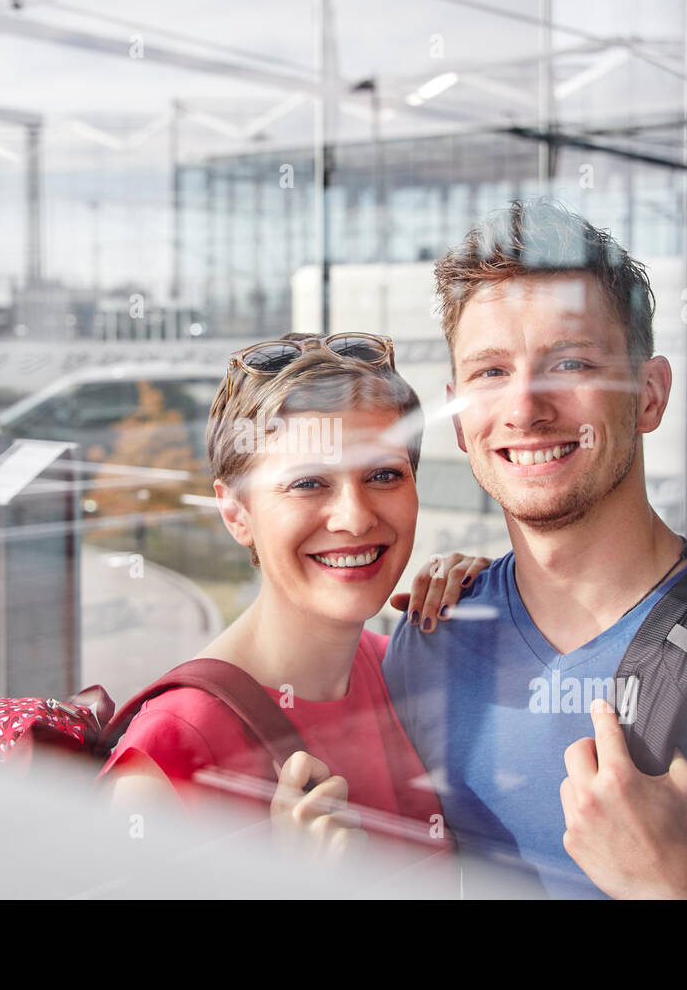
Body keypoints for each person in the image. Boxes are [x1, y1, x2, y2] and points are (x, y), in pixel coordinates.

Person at [384, 199, 687, 898]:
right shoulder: (430, 640)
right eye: (490, 372)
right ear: (458, 415)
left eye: (569, 362)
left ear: (651, 394)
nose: (525, 408)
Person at [99, 332, 485, 865]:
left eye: (383, 475)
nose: (355, 517)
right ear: (236, 514)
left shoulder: (400, 667)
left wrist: (504, 594)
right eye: (307, 483)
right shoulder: (173, 744)